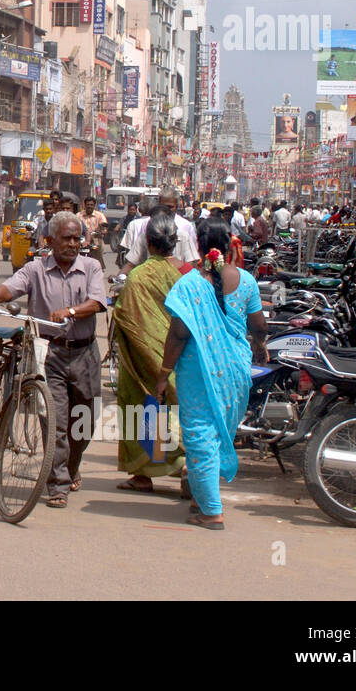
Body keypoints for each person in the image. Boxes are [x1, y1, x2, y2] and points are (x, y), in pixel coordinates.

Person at [0, 212, 107, 507]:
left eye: (77, 238)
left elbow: (98, 302)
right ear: (50, 241)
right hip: (49, 355)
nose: (73, 244)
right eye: (66, 238)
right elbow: (11, 286)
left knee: (86, 421)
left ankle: (71, 467)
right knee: (55, 422)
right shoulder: (36, 269)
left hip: (85, 353)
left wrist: (71, 311)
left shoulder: (91, 267)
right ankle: (58, 485)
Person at [156, 218, 269, 529]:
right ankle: (200, 496)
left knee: (200, 433)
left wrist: (163, 374)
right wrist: (260, 347)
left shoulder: (190, 284)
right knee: (220, 429)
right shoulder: (246, 281)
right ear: (231, 242)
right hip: (235, 368)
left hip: (197, 368)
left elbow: (177, 334)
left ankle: (211, 511)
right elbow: (259, 325)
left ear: (200, 246)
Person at [112, 211, 186, 492]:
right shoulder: (189, 273)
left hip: (145, 358)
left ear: (148, 241)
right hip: (182, 358)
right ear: (175, 242)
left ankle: (143, 474)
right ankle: (187, 469)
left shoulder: (138, 277)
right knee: (179, 410)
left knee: (141, 408)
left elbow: (127, 316)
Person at [120, 187, 200, 275]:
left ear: (177, 206)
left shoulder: (185, 229)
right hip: (149, 279)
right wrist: (120, 276)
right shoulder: (147, 228)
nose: (166, 210)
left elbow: (191, 261)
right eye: (163, 206)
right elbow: (131, 263)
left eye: (170, 207)